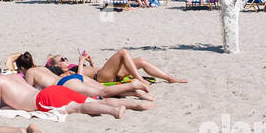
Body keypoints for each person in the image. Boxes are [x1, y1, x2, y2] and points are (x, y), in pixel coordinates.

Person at [0, 62, 153, 117]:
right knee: (96, 98)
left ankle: (114, 111)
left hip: (42, 100)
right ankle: (135, 104)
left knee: (79, 107)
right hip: (52, 91)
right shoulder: (13, 77)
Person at [6, 52, 155, 100]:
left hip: (66, 84)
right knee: (103, 92)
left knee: (102, 92)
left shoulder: (31, 73)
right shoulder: (41, 68)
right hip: (77, 78)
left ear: (22, 68)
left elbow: (28, 92)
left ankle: (134, 84)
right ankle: (137, 92)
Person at [52, 48, 185, 85]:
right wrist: (81, 62)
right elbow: (79, 80)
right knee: (123, 52)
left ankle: (169, 78)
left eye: (65, 57)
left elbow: (93, 70)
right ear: (56, 65)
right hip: (102, 78)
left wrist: (91, 62)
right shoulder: (66, 73)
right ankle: (139, 78)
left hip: (105, 73)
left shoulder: (74, 66)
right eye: (62, 59)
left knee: (141, 60)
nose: (66, 59)